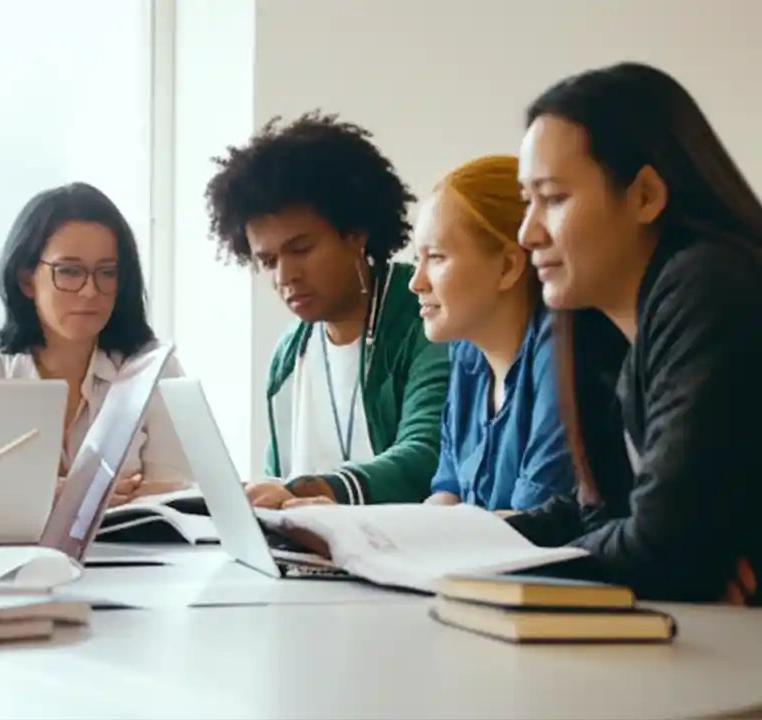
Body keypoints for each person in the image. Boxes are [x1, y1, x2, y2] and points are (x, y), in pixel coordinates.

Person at [510, 62, 762, 604]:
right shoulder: (610, 329)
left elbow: (665, 547)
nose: (527, 233)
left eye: (553, 198)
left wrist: (493, 573)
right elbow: (601, 514)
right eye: (526, 201)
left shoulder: (709, 283)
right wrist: (439, 547)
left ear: (646, 194)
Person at [204, 112, 449, 508]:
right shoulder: (289, 356)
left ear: (355, 233)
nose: (285, 276)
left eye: (301, 249)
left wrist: (310, 490)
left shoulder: (425, 316)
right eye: (268, 261)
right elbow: (277, 479)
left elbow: (427, 456)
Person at [0, 182, 189, 506]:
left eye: (107, 272)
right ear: (26, 280)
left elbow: (180, 497)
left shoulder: (154, 370)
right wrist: (61, 495)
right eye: (69, 271)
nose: (90, 291)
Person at [409, 155, 575, 512]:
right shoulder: (467, 352)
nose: (416, 282)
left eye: (436, 257)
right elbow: (448, 492)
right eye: (415, 261)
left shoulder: (562, 351)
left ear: (508, 266)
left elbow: (531, 522)